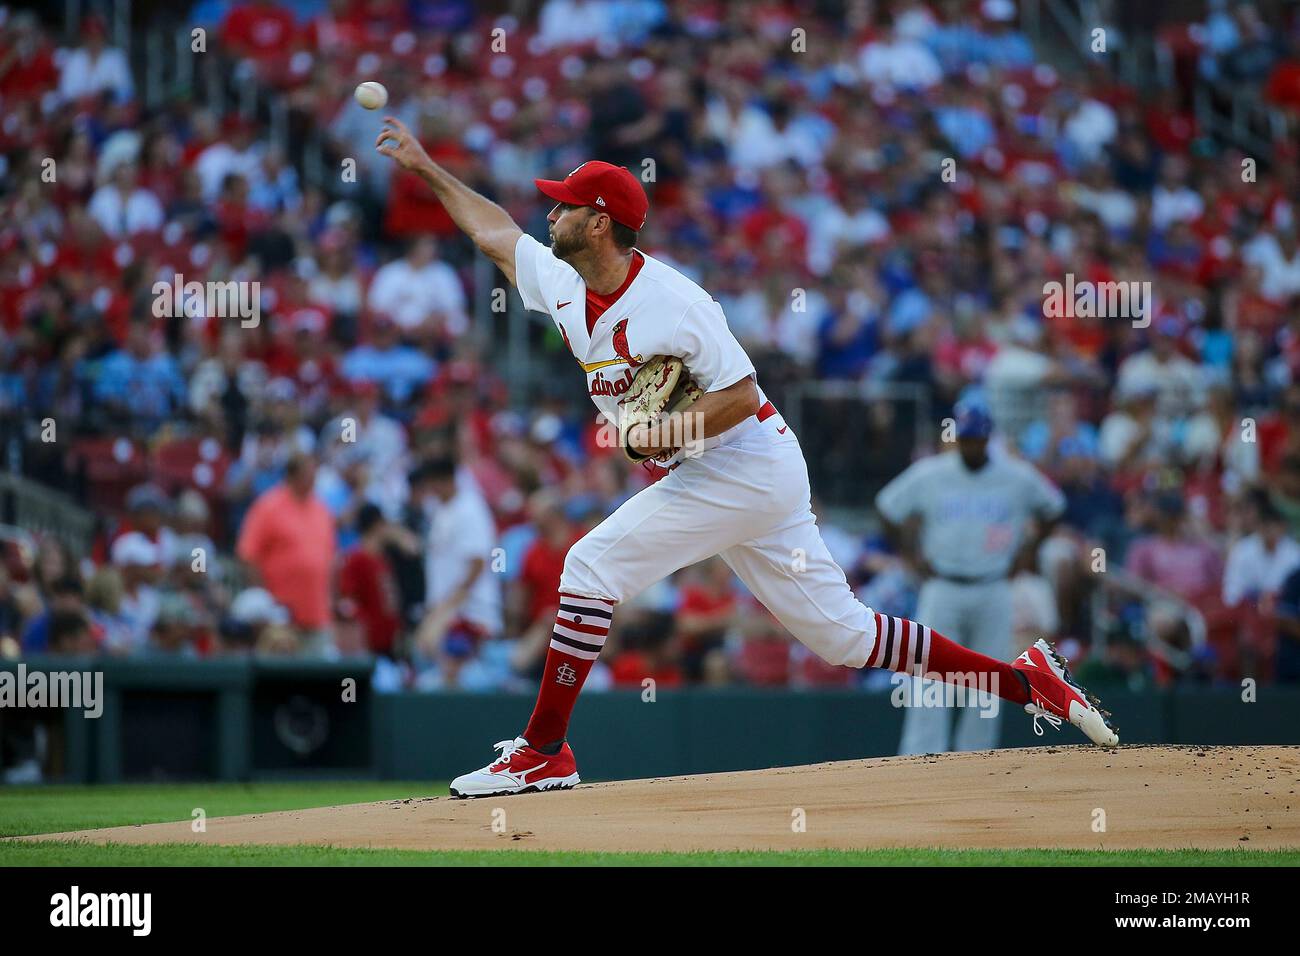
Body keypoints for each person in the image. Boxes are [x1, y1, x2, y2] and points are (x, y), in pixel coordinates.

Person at [374, 119, 1118, 798]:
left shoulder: (675, 301)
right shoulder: (566, 284)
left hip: (742, 461)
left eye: (566, 206)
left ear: (599, 223)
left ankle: (545, 752)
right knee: (846, 636)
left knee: (588, 569)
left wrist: (660, 436)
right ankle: (1028, 683)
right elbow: (495, 233)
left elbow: (738, 393)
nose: (552, 213)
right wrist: (428, 166)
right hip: (742, 475)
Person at [875, 403, 1066, 754]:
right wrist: (910, 554)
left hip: (993, 586)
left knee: (988, 677)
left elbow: (1053, 506)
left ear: (987, 438)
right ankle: (920, 757)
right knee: (930, 675)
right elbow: (887, 506)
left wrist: (1030, 550)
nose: (970, 445)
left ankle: (977, 758)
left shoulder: (1016, 476)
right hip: (943, 585)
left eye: (976, 438)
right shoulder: (932, 473)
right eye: (965, 438)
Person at [235, 452, 337, 657]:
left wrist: (330, 601)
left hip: (317, 616)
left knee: (317, 680)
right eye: (308, 473)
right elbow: (248, 555)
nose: (313, 478)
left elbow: (329, 560)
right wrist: (266, 603)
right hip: (279, 620)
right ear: (292, 474)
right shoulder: (268, 506)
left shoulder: (321, 510)